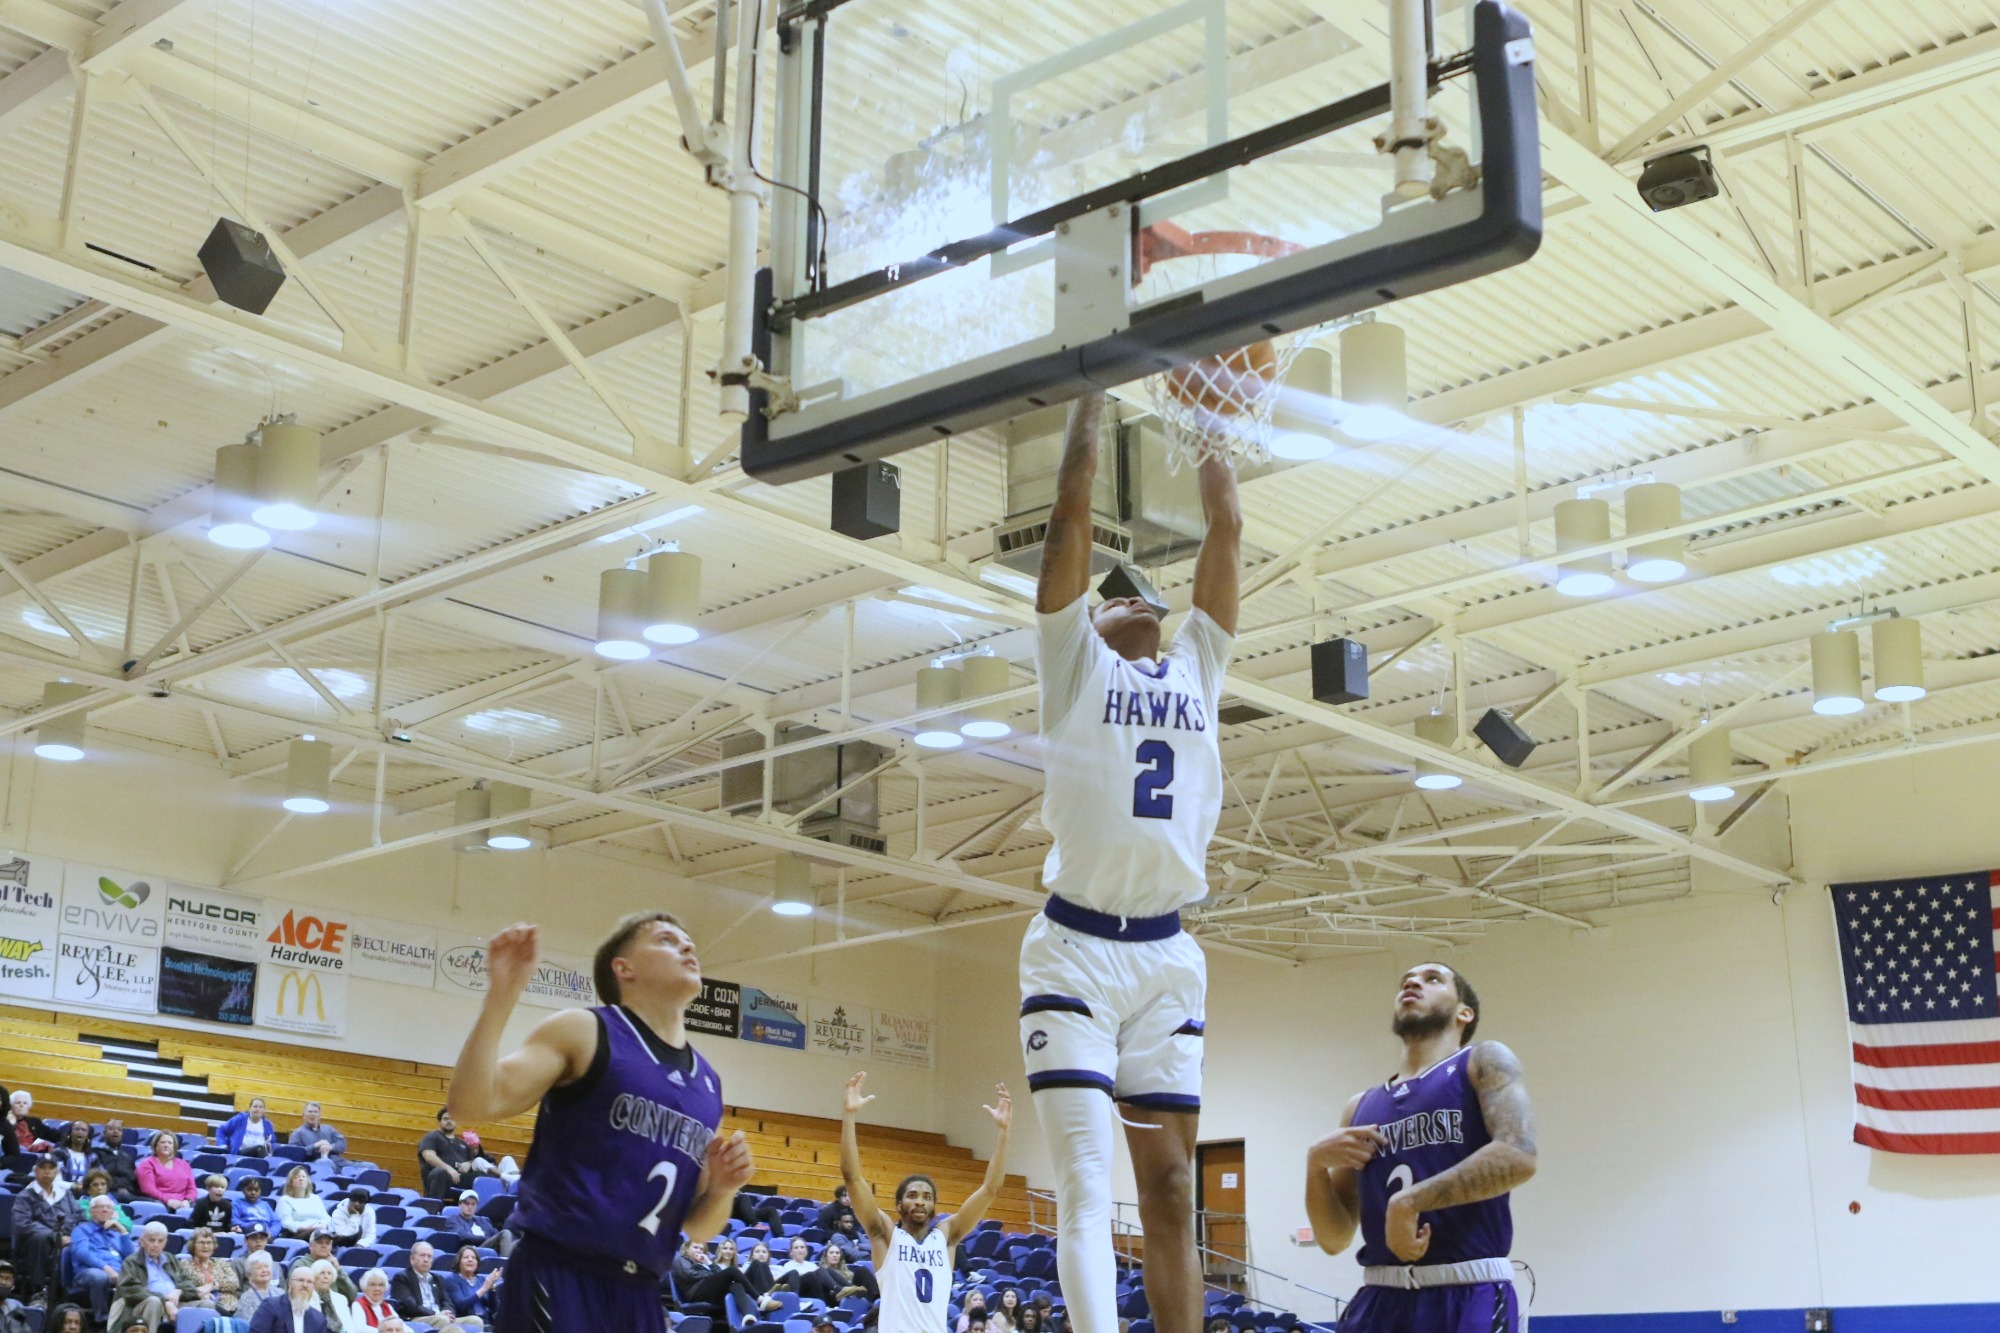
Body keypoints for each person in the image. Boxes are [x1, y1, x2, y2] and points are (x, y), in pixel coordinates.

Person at [1025, 390, 1238, 1333]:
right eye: (1106, 597)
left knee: (1169, 1184)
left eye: (1136, 593)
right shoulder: (1074, 665)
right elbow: (1070, 512)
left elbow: (1226, 528)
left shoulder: (1199, 666)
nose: (1123, 599)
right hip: (1072, 947)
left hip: (1166, 955)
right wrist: (1091, 393)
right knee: (1085, 1181)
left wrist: (1213, 427)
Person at [447, 913, 753, 1332]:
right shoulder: (585, 1030)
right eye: (666, 940)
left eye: (689, 942)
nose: (687, 947)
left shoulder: (708, 1083)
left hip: (641, 1293)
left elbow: (698, 1224)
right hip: (560, 1271)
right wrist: (502, 996)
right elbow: (470, 1104)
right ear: (623, 968)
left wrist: (723, 1188)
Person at [1304, 964, 1538, 1333]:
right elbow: (1334, 1240)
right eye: (1406, 981)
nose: (1412, 982)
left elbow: (1518, 1155)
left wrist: (1409, 1201)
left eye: (1433, 979)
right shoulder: (1360, 1106)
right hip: (1380, 1294)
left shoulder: (1481, 1061)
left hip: (1466, 1289)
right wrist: (1315, 1167)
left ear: (1465, 1012)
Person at [841, 1071, 1011, 1333]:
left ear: (934, 1206)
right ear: (898, 1205)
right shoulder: (885, 1235)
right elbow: (852, 1178)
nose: (920, 1201)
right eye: (912, 1196)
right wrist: (849, 1115)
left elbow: (991, 1188)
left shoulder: (946, 1236)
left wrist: (1003, 1132)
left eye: (927, 1197)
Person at [110, 1221, 204, 1333]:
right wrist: (165, 1301)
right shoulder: (132, 1261)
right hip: (141, 1306)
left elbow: (189, 1283)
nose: (156, 1244)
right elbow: (131, 1290)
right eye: (151, 1240)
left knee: (206, 1304)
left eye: (160, 1241)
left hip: (175, 1303)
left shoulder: (171, 1259)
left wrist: (179, 1291)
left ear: (166, 1242)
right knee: (154, 1302)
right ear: (142, 1241)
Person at [11, 1155, 81, 1301]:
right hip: (36, 1245)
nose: (47, 1172)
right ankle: (38, 1291)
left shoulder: (66, 1195)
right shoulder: (25, 1196)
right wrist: (54, 1236)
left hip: (67, 1240)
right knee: (40, 1239)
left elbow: (80, 1217)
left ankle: (71, 1294)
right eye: (42, 1168)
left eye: (51, 1168)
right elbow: (22, 1224)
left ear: (57, 1172)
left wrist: (74, 1237)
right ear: (35, 1171)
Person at [671, 1240, 775, 1324]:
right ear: (687, 1248)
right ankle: (760, 1299)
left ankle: (748, 1315)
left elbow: (721, 1274)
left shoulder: (702, 1263)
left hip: (708, 1291)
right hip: (695, 1292)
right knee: (732, 1270)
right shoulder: (681, 1259)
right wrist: (710, 1274)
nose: (699, 1250)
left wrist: (708, 1263)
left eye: (701, 1249)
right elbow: (690, 1275)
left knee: (735, 1285)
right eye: (695, 1247)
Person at [71, 1193, 137, 1324]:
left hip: (118, 1273)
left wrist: (123, 1231)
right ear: (92, 1211)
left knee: (140, 1276)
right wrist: (107, 1269)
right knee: (100, 1276)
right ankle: (101, 1320)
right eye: (101, 1207)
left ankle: (129, 1321)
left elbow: (131, 1256)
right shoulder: (82, 1229)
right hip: (88, 1273)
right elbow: (82, 1253)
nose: (105, 1210)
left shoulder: (116, 1233)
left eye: (109, 1207)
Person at [390, 1242, 479, 1330]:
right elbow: (410, 1306)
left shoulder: (438, 1278)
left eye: (429, 1256)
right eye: (422, 1255)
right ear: (412, 1259)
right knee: (442, 1319)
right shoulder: (402, 1278)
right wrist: (436, 1314)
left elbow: (447, 1302)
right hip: (417, 1318)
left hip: (441, 1317)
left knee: (475, 1321)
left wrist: (449, 1313)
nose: (426, 1259)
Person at [415, 1111, 479, 1203]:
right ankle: (433, 1208)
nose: (449, 1121)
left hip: (460, 1179)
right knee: (441, 1171)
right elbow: (429, 1156)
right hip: (439, 1178)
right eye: (445, 1119)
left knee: (482, 1176)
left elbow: (474, 1161)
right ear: (439, 1122)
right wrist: (449, 1169)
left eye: (452, 1119)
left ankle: (475, 1211)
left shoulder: (463, 1144)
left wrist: (469, 1164)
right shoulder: (432, 1137)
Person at [795, 1240, 877, 1308]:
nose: (835, 1255)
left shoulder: (848, 1270)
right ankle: (846, 1290)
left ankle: (877, 1299)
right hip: (833, 1297)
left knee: (862, 1270)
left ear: (840, 1256)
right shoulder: (821, 1271)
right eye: (831, 1253)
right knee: (823, 1270)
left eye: (837, 1253)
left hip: (852, 1295)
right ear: (826, 1256)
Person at [247, 1265, 327, 1333]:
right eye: (300, 1280)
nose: (305, 1285)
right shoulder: (271, 1306)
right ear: (290, 1283)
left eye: (309, 1282)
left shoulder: (318, 1318)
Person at [187, 1226, 244, 1315]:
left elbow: (234, 1283)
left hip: (233, 1307)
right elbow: (186, 1287)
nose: (205, 1246)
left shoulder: (221, 1263)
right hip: (204, 1307)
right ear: (193, 1245)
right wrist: (198, 1293)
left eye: (209, 1243)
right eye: (201, 1242)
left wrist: (212, 1286)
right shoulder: (185, 1265)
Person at [136, 1132, 196, 1211]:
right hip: (159, 1202)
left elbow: (192, 1188)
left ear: (174, 1147)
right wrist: (167, 1200)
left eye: (170, 1143)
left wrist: (187, 1201)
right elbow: (148, 1189)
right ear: (156, 1145)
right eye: (162, 1142)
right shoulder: (147, 1163)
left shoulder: (184, 1164)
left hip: (184, 1204)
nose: (166, 1145)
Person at [440, 1246, 501, 1324]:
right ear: (459, 1262)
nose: (470, 1259)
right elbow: (461, 1305)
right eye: (466, 1257)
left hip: (487, 1321)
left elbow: (494, 1308)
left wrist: (492, 1287)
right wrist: (483, 1289)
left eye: (473, 1257)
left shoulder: (481, 1279)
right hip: (466, 1321)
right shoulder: (452, 1280)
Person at [289, 1234, 358, 1302]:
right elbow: (294, 1293)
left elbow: (352, 1295)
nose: (324, 1246)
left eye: (327, 1243)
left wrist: (338, 1270)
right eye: (319, 1242)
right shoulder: (301, 1265)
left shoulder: (333, 1266)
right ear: (310, 1246)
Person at [276, 1167, 332, 1239]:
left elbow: (326, 1218)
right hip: (297, 1234)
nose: (301, 1179)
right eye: (297, 1177)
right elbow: (286, 1223)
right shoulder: (284, 1200)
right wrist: (304, 1227)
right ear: (290, 1182)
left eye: (303, 1177)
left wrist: (324, 1225)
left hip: (319, 1229)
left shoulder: (315, 1198)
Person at [92, 1122, 142, 1202]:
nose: (115, 1131)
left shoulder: (127, 1157)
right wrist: (118, 1187)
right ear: (103, 1134)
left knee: (156, 1204)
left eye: (119, 1130)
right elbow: (98, 1177)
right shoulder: (96, 1153)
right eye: (111, 1129)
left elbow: (133, 1180)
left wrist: (127, 1189)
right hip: (107, 1192)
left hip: (129, 1193)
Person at [238, 1252, 281, 1325]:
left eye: (267, 1266)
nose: (264, 1270)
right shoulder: (246, 1298)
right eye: (259, 1268)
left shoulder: (280, 1293)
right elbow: (249, 1326)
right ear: (250, 1275)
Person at [310, 1260, 354, 1330]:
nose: (326, 1276)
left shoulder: (341, 1299)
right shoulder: (306, 1298)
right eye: (322, 1273)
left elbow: (349, 1326)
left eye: (329, 1273)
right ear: (314, 1277)